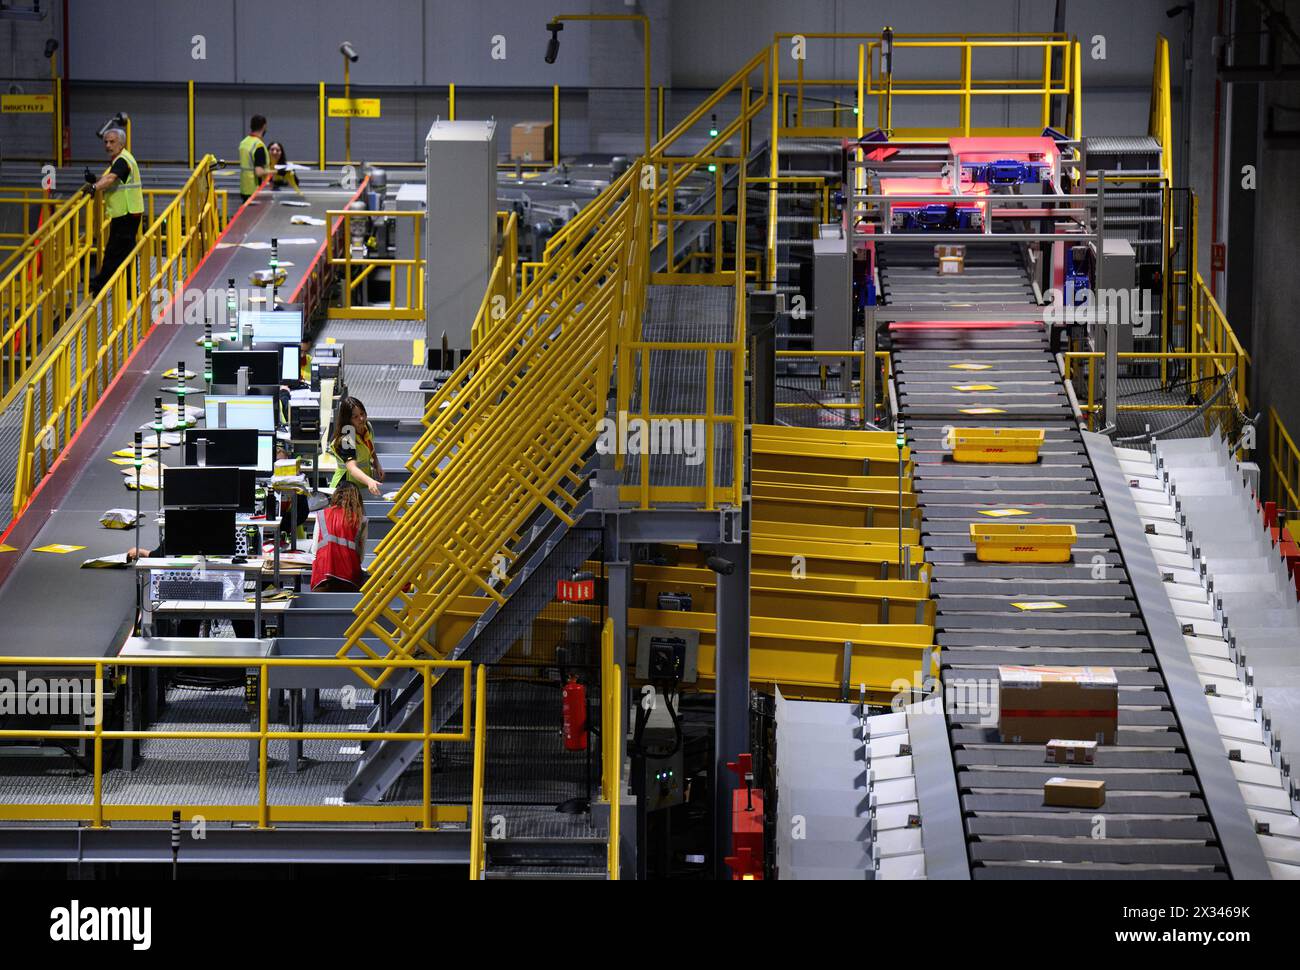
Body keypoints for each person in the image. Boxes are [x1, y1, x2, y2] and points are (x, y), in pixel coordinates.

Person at [84, 126, 143, 296]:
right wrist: (95, 179)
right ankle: (131, 289)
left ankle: (99, 284)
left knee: (114, 251)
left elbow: (111, 179)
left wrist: (94, 187)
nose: (108, 145)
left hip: (126, 213)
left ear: (122, 143)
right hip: (126, 212)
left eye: (112, 142)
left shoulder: (123, 160)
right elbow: (114, 179)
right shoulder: (122, 159)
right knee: (126, 252)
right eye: (106, 142)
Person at [310, 481, 368, 592]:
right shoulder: (361, 520)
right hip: (350, 579)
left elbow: (314, 550)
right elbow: (361, 557)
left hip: (322, 578)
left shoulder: (321, 514)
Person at [327, 396, 383, 496]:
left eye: (362, 414)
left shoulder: (367, 427)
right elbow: (352, 468)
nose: (361, 418)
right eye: (355, 417)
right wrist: (370, 481)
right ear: (348, 419)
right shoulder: (346, 438)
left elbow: (369, 448)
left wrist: (377, 464)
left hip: (362, 482)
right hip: (346, 487)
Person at [238, 114, 270, 203]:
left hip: (244, 188)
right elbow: (259, 172)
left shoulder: (244, 142)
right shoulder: (258, 145)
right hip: (255, 190)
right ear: (264, 126)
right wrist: (277, 172)